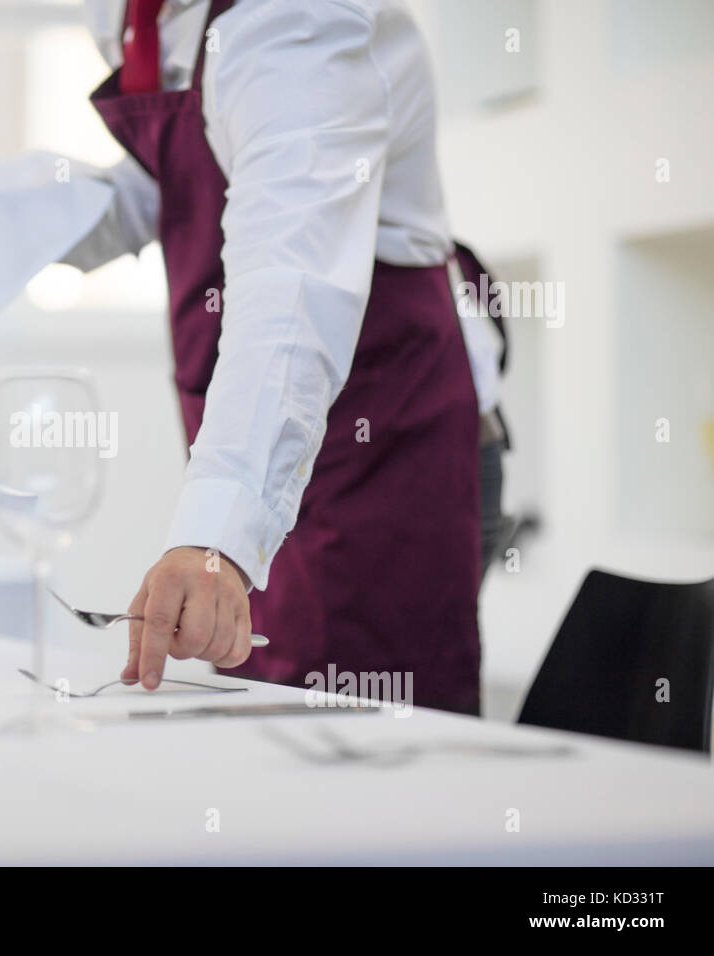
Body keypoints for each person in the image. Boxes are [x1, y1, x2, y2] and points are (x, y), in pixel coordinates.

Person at [63, 0, 505, 714]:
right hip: (285, 447)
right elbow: (162, 186)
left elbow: (292, 286)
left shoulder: (301, 20)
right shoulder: (141, 17)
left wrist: (216, 534)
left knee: (368, 750)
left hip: (390, 442)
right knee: (273, 724)